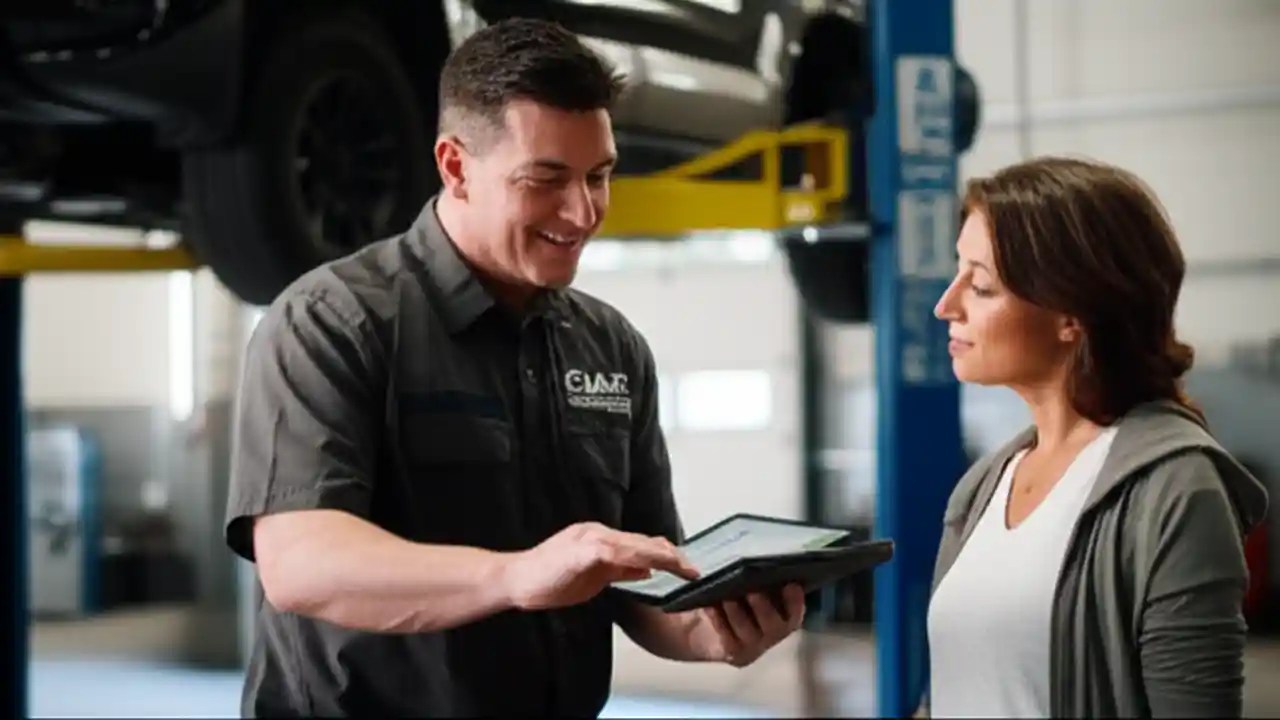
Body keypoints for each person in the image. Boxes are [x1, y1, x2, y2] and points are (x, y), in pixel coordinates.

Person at [223, 17, 807, 718]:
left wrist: (712, 632)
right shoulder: (331, 322)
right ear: (455, 165)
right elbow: (302, 563)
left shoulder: (611, 348)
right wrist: (518, 576)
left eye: (600, 176)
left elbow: (641, 592)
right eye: (546, 179)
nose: (583, 210)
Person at [925, 156, 1269, 718]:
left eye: (981, 285)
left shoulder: (1175, 492)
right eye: (958, 272)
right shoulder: (985, 486)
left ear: (1071, 315)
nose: (947, 304)